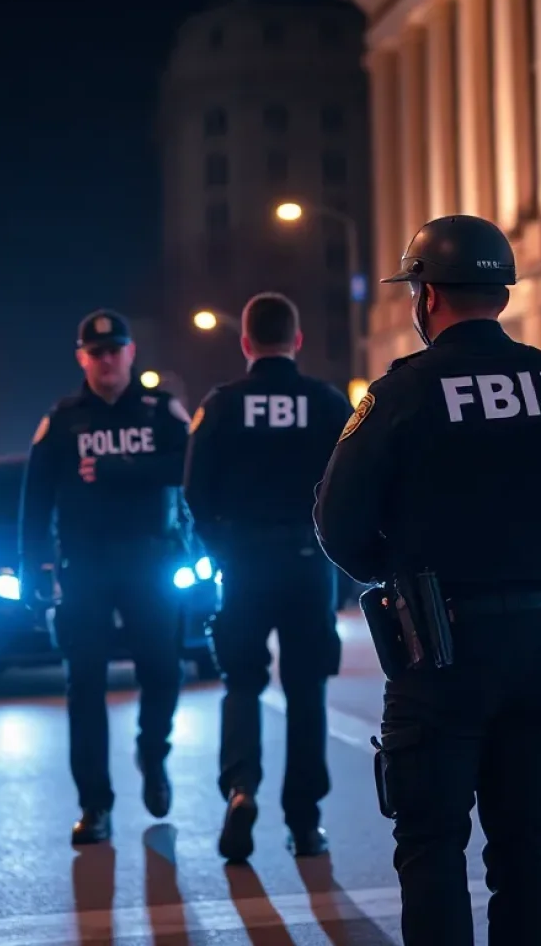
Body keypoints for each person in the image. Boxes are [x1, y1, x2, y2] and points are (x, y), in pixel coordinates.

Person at [313, 215, 541, 946]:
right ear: (500, 295)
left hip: (438, 650)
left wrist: (397, 573)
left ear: (426, 296)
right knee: (527, 845)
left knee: (432, 845)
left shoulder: (403, 394)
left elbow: (338, 521)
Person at [183, 292, 353, 863]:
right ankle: (304, 822)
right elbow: (351, 484)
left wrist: (220, 550)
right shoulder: (327, 402)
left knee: (242, 684)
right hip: (310, 566)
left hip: (245, 566)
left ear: (246, 342)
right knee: (307, 692)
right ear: (298, 340)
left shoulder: (223, 405)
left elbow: (195, 493)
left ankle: (240, 788)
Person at [19, 309, 191, 846]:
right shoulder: (64, 418)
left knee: (163, 671)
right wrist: (32, 567)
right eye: (96, 353)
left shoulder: (161, 410)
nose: (106, 359)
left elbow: (191, 466)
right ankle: (95, 805)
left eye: (115, 349)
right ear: (82, 359)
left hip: (150, 562)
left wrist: (122, 470)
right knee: (84, 686)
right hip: (86, 567)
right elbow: (36, 497)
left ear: (131, 353)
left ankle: (153, 751)